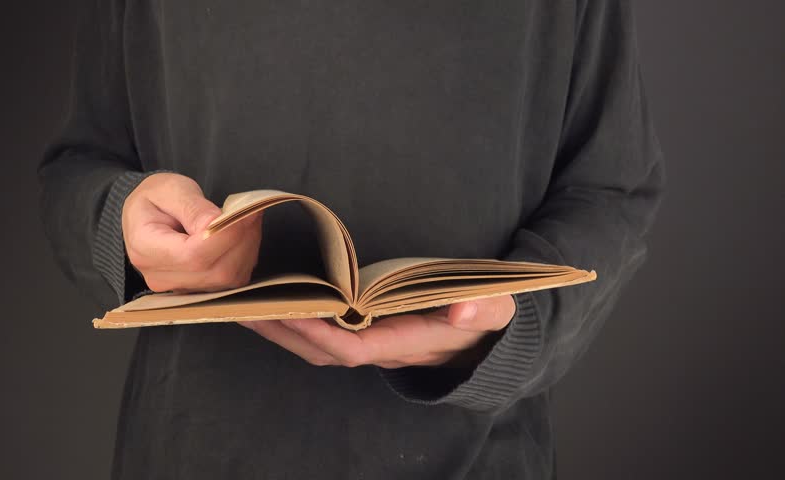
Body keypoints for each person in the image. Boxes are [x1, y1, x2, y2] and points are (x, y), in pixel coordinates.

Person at [38, 1, 665, 478]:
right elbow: (79, 167)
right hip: (191, 449)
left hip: (475, 458)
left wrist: (513, 326)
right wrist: (119, 220)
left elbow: (609, 187)